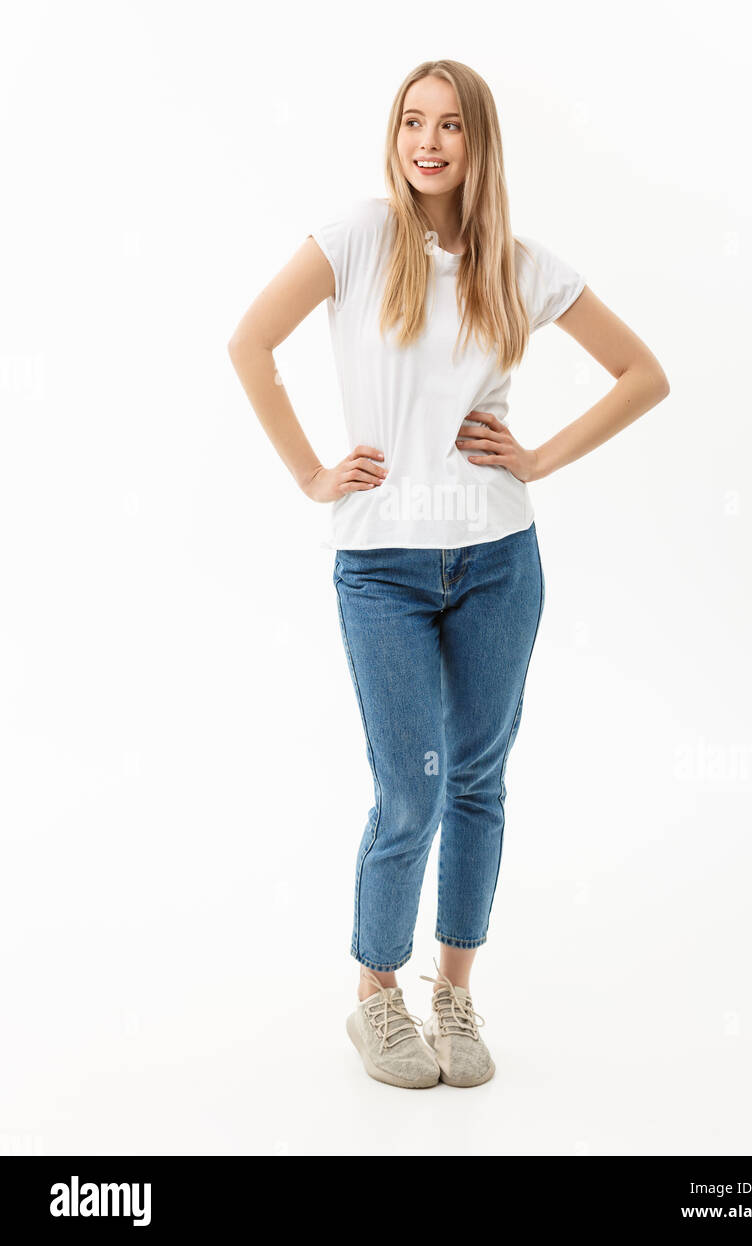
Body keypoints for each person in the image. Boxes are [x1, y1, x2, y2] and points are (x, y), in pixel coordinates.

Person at [227, 59, 670, 1090]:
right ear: (395, 136)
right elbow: (250, 342)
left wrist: (536, 457)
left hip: (497, 559)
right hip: (380, 565)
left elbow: (643, 373)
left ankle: (455, 992)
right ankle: (375, 993)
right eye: (412, 122)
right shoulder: (354, 237)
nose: (428, 142)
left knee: (476, 781)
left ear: (479, 144)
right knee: (408, 789)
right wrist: (309, 473)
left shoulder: (518, 264)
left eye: (450, 126)